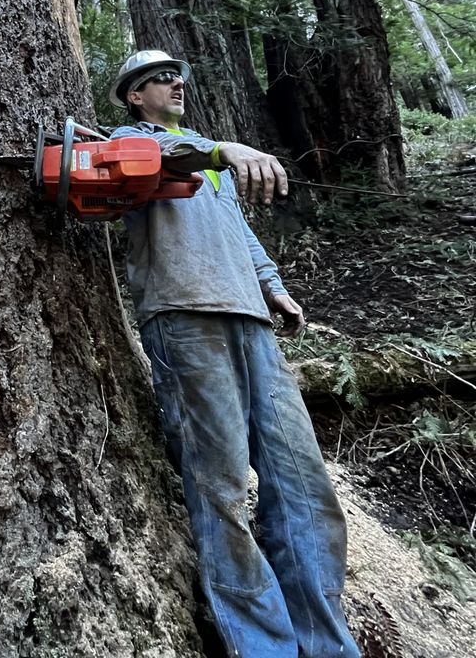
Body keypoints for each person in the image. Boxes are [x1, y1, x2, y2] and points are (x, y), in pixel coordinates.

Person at [109, 49, 360, 658]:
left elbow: (238, 231)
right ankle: (263, 646)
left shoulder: (208, 152)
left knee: (302, 487)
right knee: (220, 486)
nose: (175, 84)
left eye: (178, 77)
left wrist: (273, 284)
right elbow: (152, 163)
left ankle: (327, 645)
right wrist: (226, 150)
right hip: (183, 318)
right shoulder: (130, 139)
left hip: (253, 322)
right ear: (135, 96)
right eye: (158, 79)